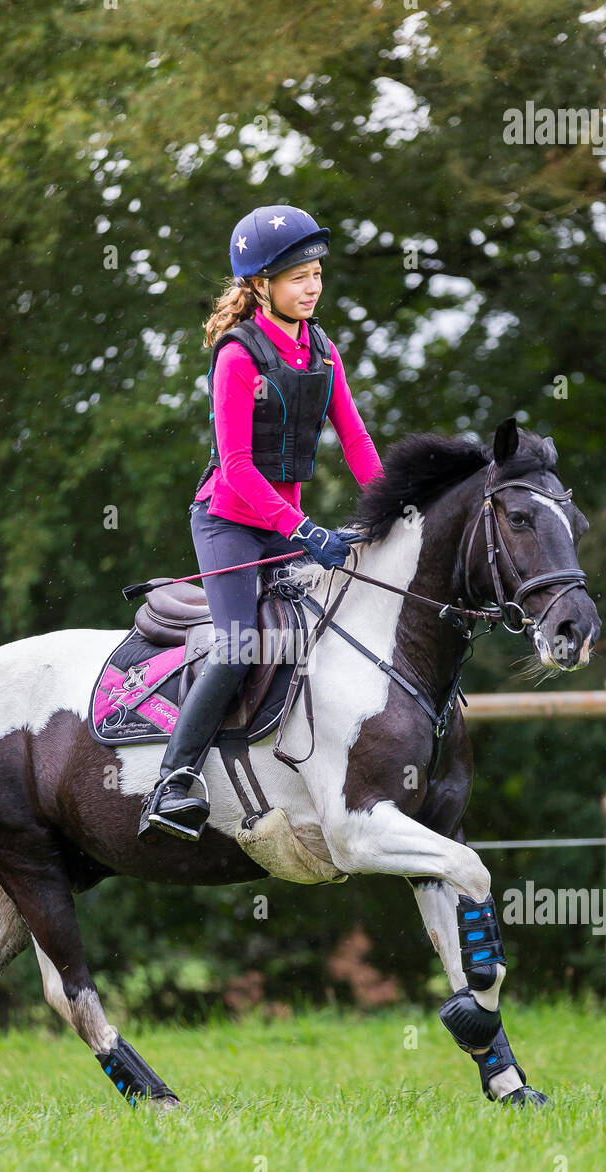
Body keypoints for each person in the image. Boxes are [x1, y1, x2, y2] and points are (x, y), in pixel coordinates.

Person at [138, 204, 384, 843]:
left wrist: (390, 507)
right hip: (229, 522)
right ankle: (173, 779)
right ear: (261, 286)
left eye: (317, 274)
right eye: (299, 277)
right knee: (242, 641)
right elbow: (240, 469)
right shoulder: (237, 358)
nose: (313, 287)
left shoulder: (323, 351)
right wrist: (304, 531)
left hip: (285, 524)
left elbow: (355, 441)